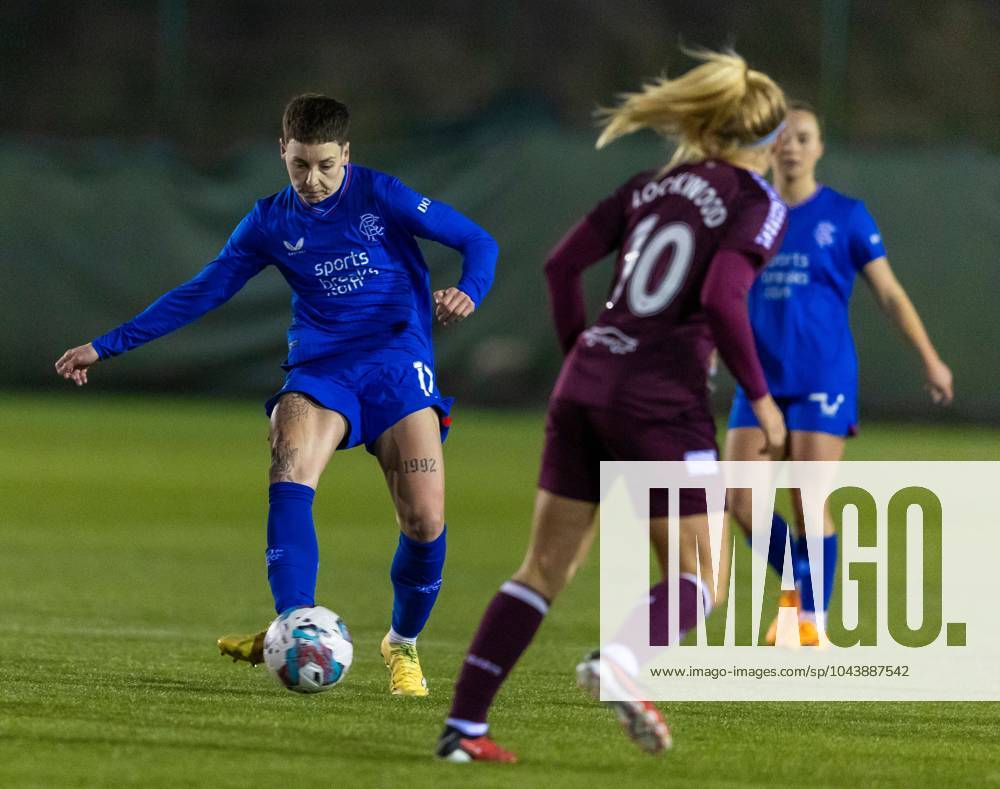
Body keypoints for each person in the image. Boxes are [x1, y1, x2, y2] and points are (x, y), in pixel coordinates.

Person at [54, 94, 498, 697]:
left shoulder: (382, 194)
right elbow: (202, 291)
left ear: (346, 154)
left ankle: (402, 643)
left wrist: (469, 289)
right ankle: (296, 625)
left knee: (424, 519)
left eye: (325, 165)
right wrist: (107, 345)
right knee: (288, 466)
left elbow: (479, 240)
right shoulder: (268, 221)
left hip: (397, 364)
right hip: (320, 368)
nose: (312, 180)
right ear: (281, 153)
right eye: (299, 166)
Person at [435, 50, 790, 764]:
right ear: (771, 139)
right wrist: (761, 397)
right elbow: (723, 296)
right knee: (701, 578)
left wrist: (582, 357)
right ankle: (621, 660)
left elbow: (560, 264)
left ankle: (463, 730)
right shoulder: (759, 202)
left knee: (540, 570)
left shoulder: (650, 185)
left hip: (586, 384)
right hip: (661, 400)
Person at [724, 102, 954, 646]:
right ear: (770, 146)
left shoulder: (846, 216)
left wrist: (929, 357)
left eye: (804, 137)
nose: (793, 146)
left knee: (807, 499)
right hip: (758, 380)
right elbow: (724, 294)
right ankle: (803, 588)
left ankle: (811, 621)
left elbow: (891, 294)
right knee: (741, 503)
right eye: (783, 137)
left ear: (820, 147)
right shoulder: (749, 215)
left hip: (822, 378)